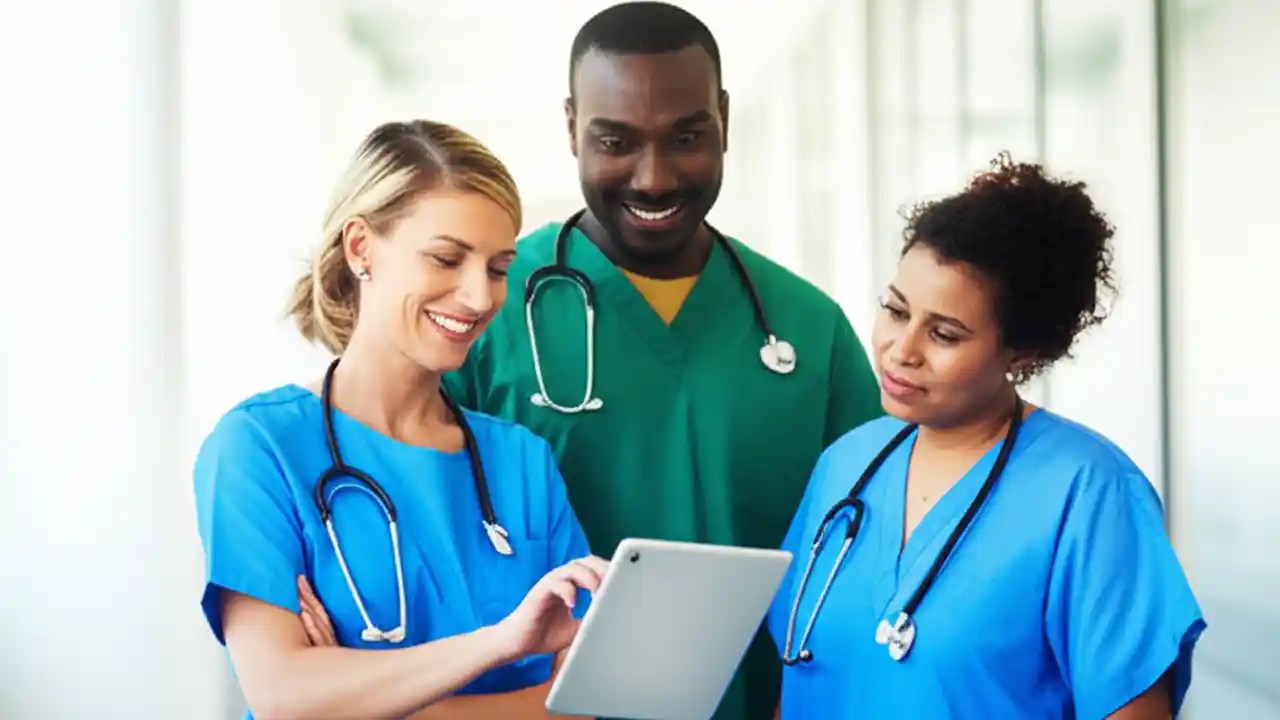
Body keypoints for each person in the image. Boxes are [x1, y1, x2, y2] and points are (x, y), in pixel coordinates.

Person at [431, 4, 883, 718]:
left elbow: (874, 549)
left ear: (725, 122)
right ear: (571, 127)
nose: (654, 177)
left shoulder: (808, 325)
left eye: (687, 137)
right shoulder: (485, 308)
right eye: (616, 141)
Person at [191, 119, 609, 720]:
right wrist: (502, 645)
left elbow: (582, 705)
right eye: (446, 258)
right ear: (360, 246)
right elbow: (284, 695)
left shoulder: (521, 462)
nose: (478, 297)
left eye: (496, 268)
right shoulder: (261, 448)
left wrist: (369, 699)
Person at [767, 154, 1206, 719]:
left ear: (1022, 353)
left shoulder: (1089, 492)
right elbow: (799, 681)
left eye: (945, 334)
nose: (903, 351)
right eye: (896, 312)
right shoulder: (846, 466)